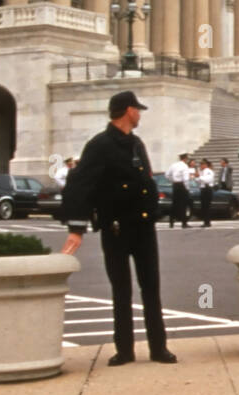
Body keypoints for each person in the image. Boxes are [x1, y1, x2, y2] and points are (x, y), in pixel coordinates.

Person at [60, 90, 176, 365]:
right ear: (128, 111)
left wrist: (156, 209)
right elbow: (80, 185)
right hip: (116, 227)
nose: (139, 114)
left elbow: (146, 180)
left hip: (143, 226)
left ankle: (158, 348)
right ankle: (124, 349)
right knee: (121, 289)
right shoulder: (100, 145)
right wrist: (77, 228)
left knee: (151, 287)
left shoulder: (137, 144)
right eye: (137, 109)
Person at [165, 152, 191, 229]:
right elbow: (186, 179)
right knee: (183, 204)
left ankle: (171, 222)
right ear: (185, 158)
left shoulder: (173, 165)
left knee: (174, 204)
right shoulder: (185, 166)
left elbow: (167, 175)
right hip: (182, 185)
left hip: (175, 185)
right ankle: (184, 223)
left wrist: (173, 180)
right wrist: (187, 188)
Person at [197, 158, 215, 227]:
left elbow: (207, 180)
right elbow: (199, 181)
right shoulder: (202, 172)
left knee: (207, 206)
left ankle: (207, 222)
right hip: (203, 189)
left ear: (205, 165)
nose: (201, 166)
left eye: (202, 164)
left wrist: (200, 177)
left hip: (207, 189)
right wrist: (197, 177)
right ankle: (205, 221)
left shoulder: (209, 171)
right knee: (203, 206)